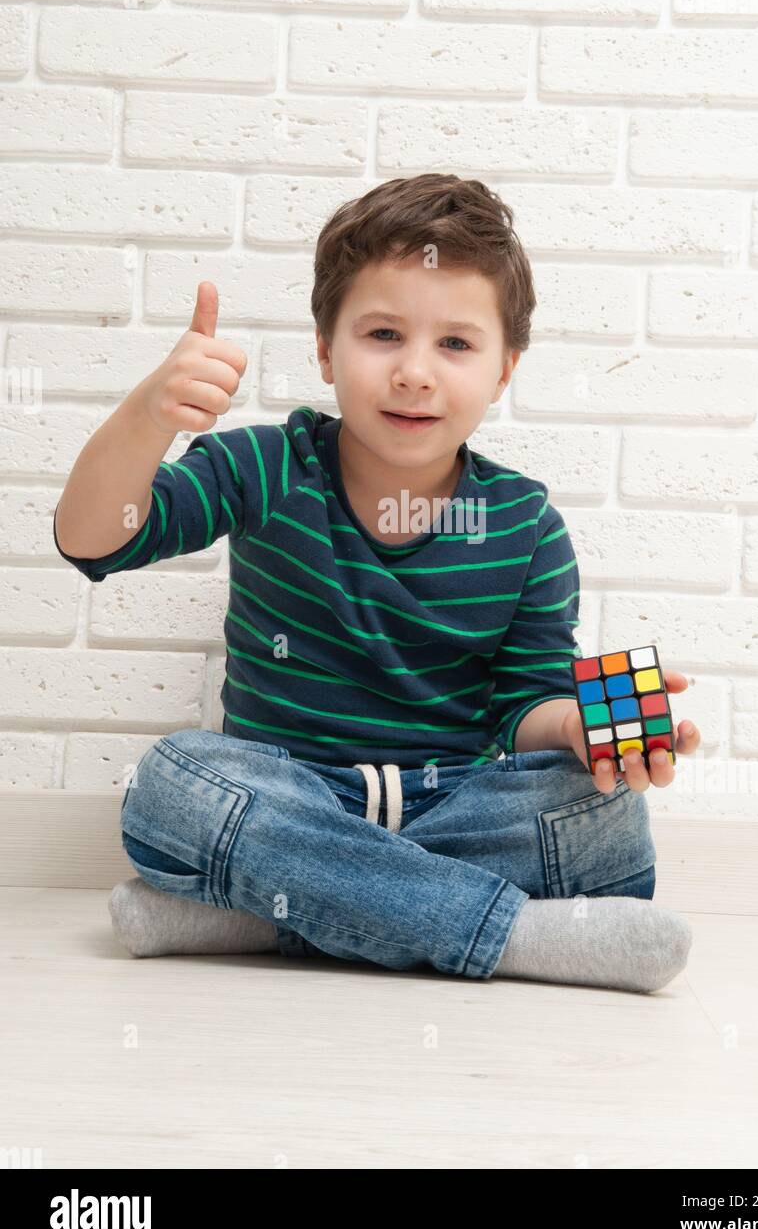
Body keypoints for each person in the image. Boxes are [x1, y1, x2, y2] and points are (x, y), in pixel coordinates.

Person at [54, 172, 698, 992]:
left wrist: (580, 728)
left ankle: (270, 916)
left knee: (607, 814)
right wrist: (148, 417)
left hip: (452, 814)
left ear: (505, 370)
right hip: (291, 798)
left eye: (456, 344)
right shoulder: (265, 466)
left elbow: (523, 706)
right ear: (326, 348)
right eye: (383, 334)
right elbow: (92, 541)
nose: (415, 373)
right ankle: (507, 936)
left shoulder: (525, 525)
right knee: (171, 784)